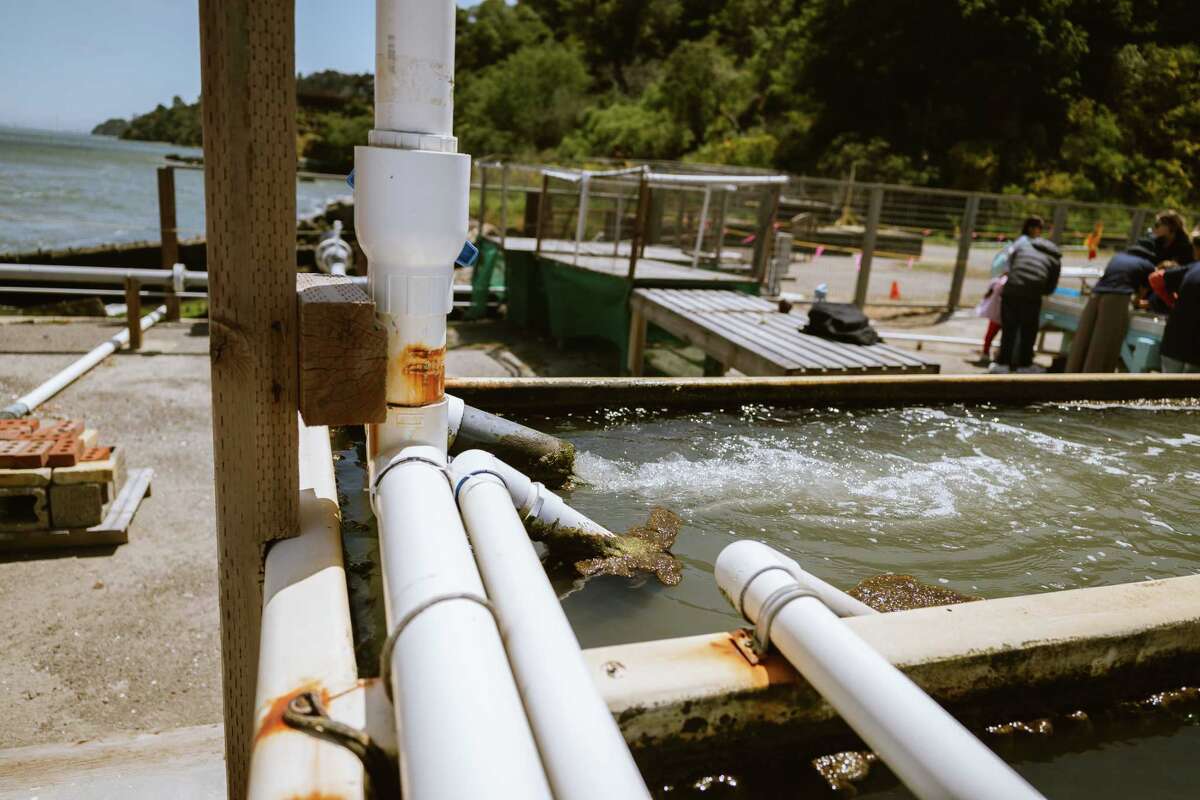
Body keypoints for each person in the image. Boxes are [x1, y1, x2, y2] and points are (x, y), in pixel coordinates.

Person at [1065, 210, 1187, 372]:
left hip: (1097, 294)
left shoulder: (1120, 257)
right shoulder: (1148, 264)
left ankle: (1070, 377)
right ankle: (1092, 386)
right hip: (1120, 298)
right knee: (1102, 347)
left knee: (1082, 342)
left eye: (1158, 225)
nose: (1155, 229)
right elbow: (1147, 289)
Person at [991, 233, 1061, 372]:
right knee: (1028, 330)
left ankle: (1003, 363)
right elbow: (1050, 288)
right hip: (1032, 294)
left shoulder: (1023, 248)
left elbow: (1009, 267)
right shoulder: (1055, 260)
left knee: (1009, 328)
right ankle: (1024, 364)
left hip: (1011, 290)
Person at [978, 216, 1043, 361]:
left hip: (1008, 285)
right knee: (1001, 323)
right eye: (1040, 228)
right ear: (1032, 228)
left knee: (999, 323)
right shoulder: (1025, 244)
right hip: (1011, 287)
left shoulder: (1021, 243)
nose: (1040, 232)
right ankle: (995, 354)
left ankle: (995, 353)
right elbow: (1008, 266)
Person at [1149, 227, 1200, 372]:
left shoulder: (1191, 268)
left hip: (1173, 342)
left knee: (1168, 389)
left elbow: (1155, 278)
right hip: (1196, 350)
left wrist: (1171, 301)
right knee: (1191, 393)